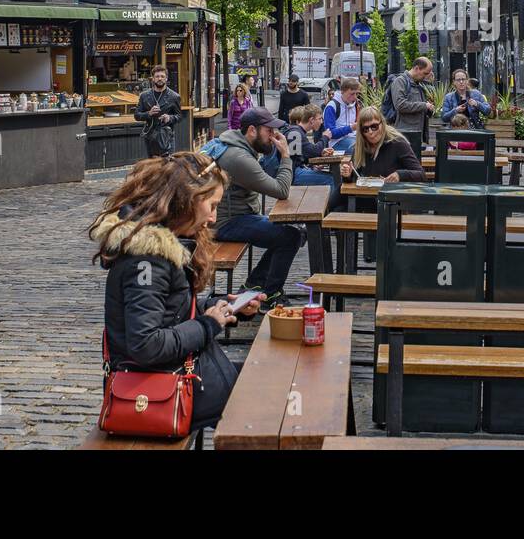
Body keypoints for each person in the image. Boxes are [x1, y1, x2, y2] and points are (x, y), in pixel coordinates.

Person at [89, 152, 262, 432]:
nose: (213, 217)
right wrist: (208, 324)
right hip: (162, 390)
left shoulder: (161, 249)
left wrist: (221, 306)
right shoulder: (147, 262)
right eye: (212, 205)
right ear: (189, 199)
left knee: (269, 385)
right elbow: (146, 344)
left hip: (182, 377)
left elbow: (171, 310)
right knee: (271, 397)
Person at [211, 106, 304, 308]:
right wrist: (286, 155)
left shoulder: (235, 144)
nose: (273, 136)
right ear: (252, 130)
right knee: (291, 236)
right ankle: (269, 294)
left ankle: (254, 285)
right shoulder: (239, 158)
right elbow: (281, 190)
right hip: (225, 223)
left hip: (231, 216)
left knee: (291, 233)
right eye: (268, 130)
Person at [339, 107, 426, 184]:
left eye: (374, 126)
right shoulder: (360, 146)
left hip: (392, 199)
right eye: (365, 129)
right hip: (365, 197)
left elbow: (421, 175)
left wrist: (400, 175)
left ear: (382, 124)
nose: (370, 132)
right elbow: (354, 178)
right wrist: (347, 175)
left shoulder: (398, 143)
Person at [281, 103, 341, 209]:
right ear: (311, 120)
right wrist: (325, 137)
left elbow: (299, 155)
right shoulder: (295, 133)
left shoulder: (297, 132)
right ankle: (329, 213)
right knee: (331, 179)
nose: (322, 122)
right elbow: (313, 151)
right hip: (292, 175)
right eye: (320, 118)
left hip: (294, 171)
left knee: (329, 176)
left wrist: (311, 164)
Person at [388, 56, 435, 156]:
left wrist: (429, 109)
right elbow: (400, 105)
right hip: (405, 134)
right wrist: (424, 105)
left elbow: (419, 107)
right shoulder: (400, 81)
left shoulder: (419, 84)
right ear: (417, 68)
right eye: (425, 73)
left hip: (416, 135)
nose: (426, 76)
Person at [134, 67, 182, 158]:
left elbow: (179, 116)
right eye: (157, 76)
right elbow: (137, 115)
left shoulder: (174, 97)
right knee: (152, 166)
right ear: (153, 78)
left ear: (166, 78)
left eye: (162, 76)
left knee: (168, 166)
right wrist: (149, 113)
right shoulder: (144, 96)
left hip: (166, 136)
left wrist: (169, 118)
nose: (160, 79)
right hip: (150, 136)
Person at [323, 77, 362, 154]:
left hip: (353, 138)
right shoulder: (332, 106)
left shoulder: (355, 104)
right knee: (358, 148)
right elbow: (330, 134)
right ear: (342, 92)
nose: (354, 97)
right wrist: (351, 128)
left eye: (357, 94)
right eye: (352, 94)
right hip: (336, 143)